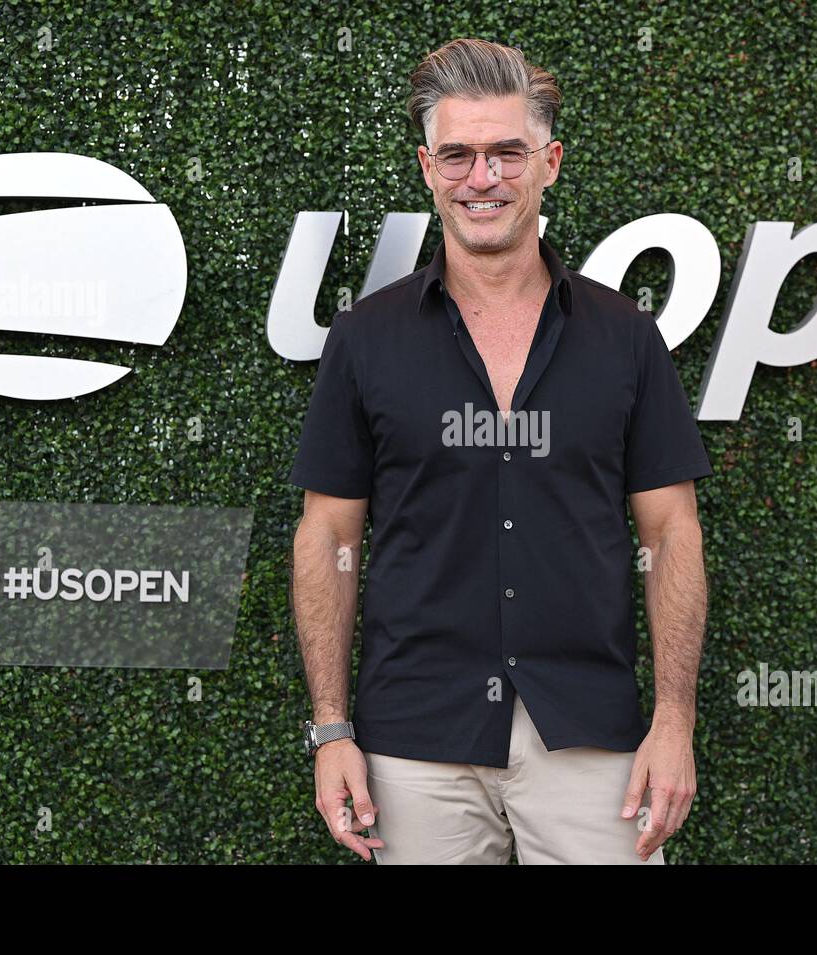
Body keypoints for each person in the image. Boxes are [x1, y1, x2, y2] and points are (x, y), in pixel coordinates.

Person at [289, 37, 713, 864]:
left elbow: (672, 534)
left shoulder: (626, 337)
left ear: (549, 162)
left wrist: (675, 722)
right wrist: (331, 729)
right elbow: (329, 538)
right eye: (457, 155)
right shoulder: (364, 340)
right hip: (415, 743)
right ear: (426, 168)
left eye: (506, 152)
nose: (482, 178)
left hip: (592, 740)